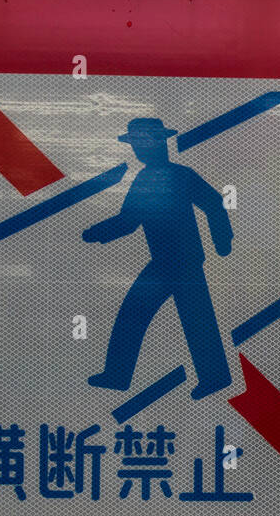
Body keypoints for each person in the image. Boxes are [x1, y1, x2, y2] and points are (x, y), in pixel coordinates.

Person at [84, 117, 233, 398]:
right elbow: (129, 221)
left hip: (186, 262)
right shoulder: (144, 180)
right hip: (164, 262)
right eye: (135, 142)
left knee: (197, 320)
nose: (139, 148)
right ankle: (117, 376)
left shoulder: (182, 175)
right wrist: (97, 232)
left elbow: (214, 203)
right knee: (135, 315)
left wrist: (222, 240)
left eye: (144, 141)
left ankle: (215, 378)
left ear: (160, 141)